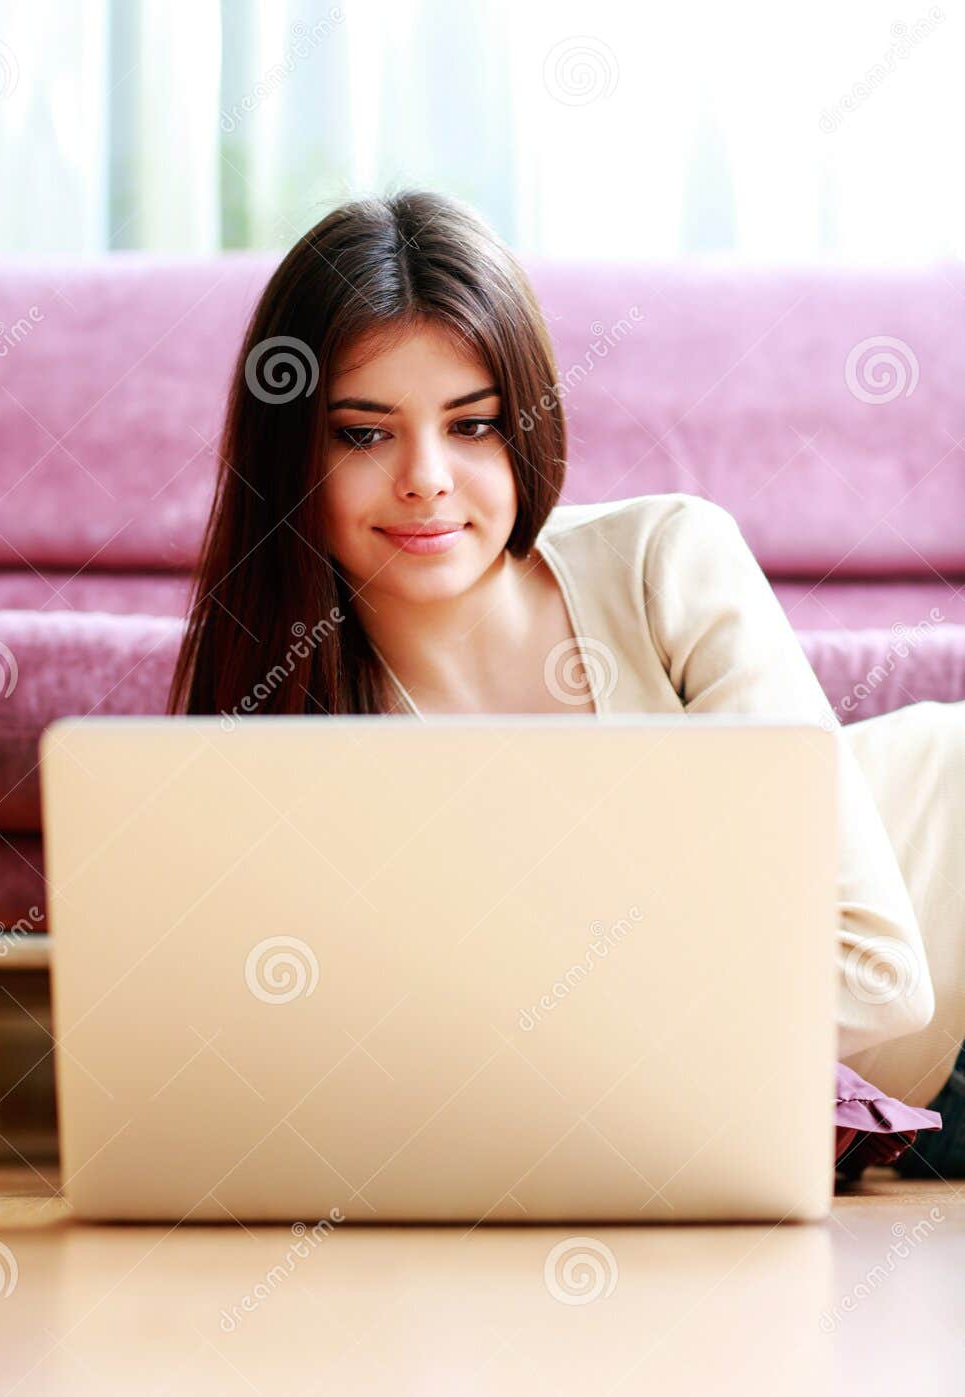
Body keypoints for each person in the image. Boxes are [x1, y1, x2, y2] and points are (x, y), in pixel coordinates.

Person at [167, 188, 965, 1180]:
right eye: (363, 434)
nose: (424, 478)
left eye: (473, 426)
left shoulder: (664, 559)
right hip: (749, 1097)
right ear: (290, 453)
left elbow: (880, 977)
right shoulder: (286, 704)